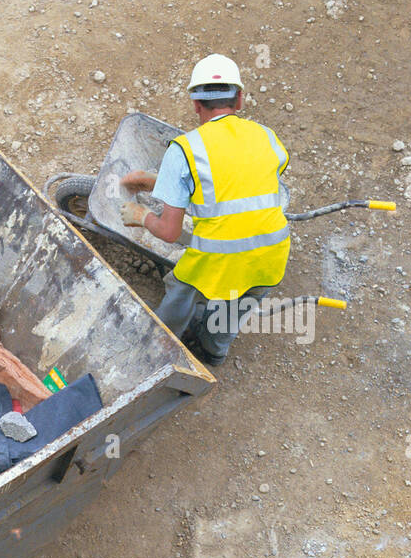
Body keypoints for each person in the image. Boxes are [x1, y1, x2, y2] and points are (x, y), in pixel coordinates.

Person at [119, 54, 290, 367]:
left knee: (181, 289)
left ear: (195, 104)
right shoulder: (266, 136)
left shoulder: (184, 149)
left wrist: (141, 215)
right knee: (243, 297)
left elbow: (170, 232)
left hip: (219, 255)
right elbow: (236, 179)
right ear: (239, 100)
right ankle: (213, 348)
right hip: (272, 253)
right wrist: (162, 182)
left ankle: (161, 349)